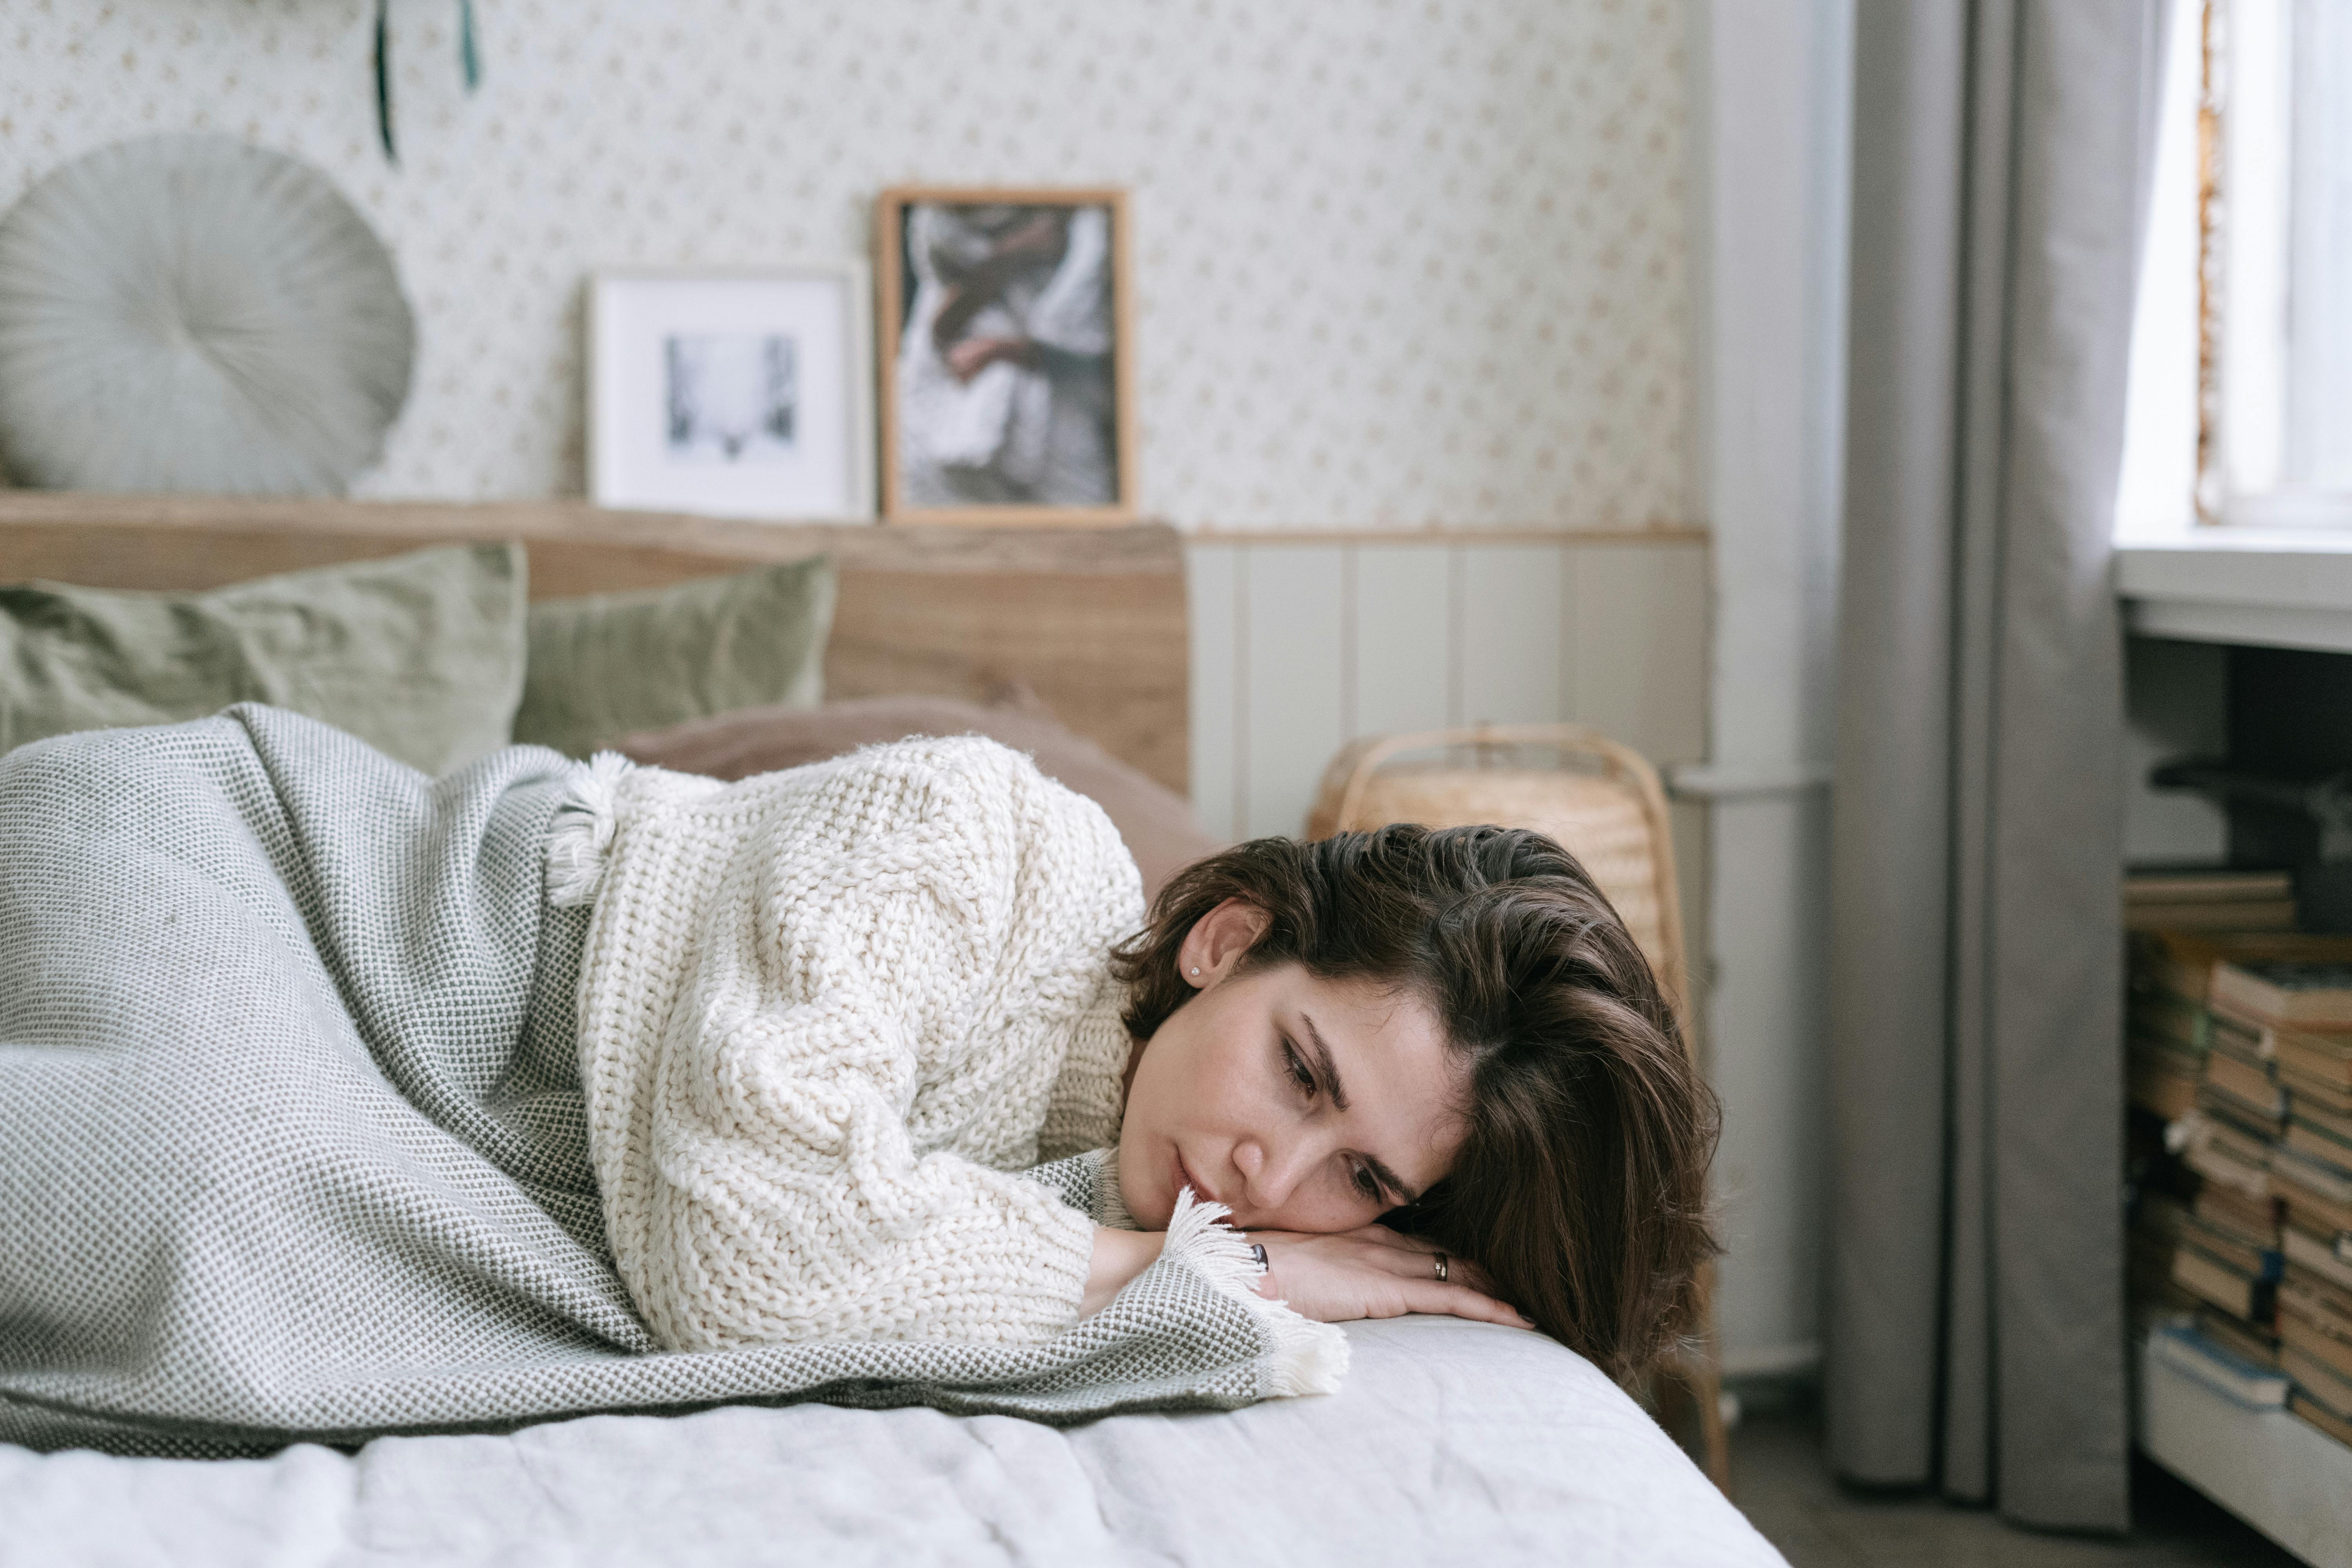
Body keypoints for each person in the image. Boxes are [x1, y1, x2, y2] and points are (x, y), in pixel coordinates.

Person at [559, 734, 1719, 1384]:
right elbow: (740, 1251)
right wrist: (1222, 1269)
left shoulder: (1108, 1151)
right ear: (1228, 940)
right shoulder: (970, 835)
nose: (1271, 1181)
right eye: (1302, 1074)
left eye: (1362, 1178)